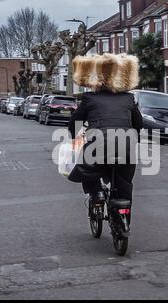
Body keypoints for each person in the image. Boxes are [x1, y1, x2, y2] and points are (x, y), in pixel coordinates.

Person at [68, 53, 143, 203]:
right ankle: (124, 213)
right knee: (124, 179)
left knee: (87, 170)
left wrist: (72, 136)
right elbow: (138, 122)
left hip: (98, 142)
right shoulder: (128, 98)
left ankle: (96, 193)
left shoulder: (90, 98)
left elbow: (75, 121)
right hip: (125, 143)